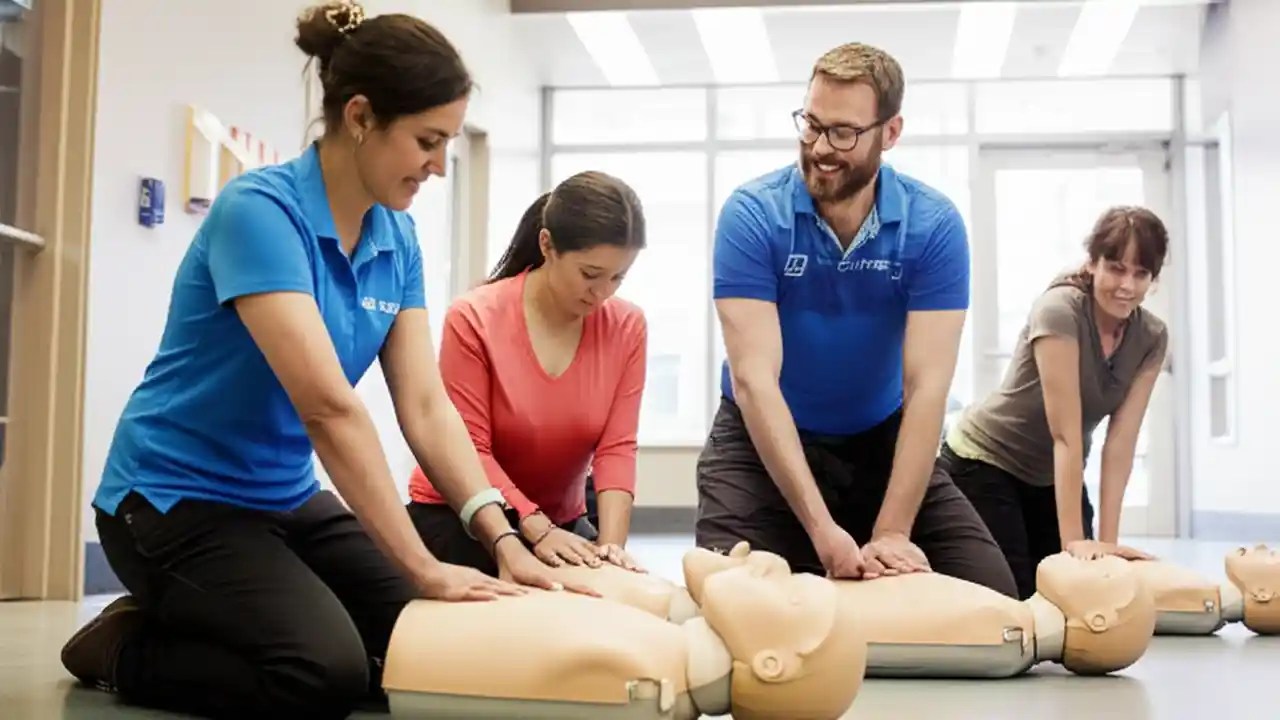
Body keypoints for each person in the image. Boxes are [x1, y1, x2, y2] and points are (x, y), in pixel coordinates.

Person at [58, 4, 589, 718]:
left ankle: (219, 614)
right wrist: (422, 565)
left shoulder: (397, 238)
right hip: (171, 503)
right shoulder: (260, 213)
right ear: (362, 117)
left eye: (447, 144)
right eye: (427, 141)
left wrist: (501, 536)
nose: (438, 165)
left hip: (282, 496)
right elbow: (328, 408)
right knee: (323, 672)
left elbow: (426, 407)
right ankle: (122, 647)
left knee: (422, 647)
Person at [694, 41, 1017, 597]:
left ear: (889, 133)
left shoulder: (933, 226)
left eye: (843, 132)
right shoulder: (753, 215)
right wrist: (823, 532)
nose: (820, 148)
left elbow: (926, 387)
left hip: (880, 440)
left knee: (992, 598)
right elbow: (754, 380)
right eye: (811, 125)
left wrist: (892, 530)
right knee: (735, 601)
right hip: (762, 439)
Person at [407, 171, 648, 575]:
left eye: (617, 277)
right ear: (547, 245)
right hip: (462, 517)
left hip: (561, 525)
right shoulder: (474, 318)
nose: (603, 293)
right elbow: (470, 449)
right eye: (590, 274)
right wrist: (533, 526)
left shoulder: (627, 326)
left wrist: (610, 550)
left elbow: (617, 447)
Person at [940, 206, 1170, 599]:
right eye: (1116, 267)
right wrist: (1073, 551)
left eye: (1140, 273)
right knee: (1018, 593)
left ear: (1153, 278)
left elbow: (1121, 443)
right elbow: (1064, 433)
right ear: (1093, 263)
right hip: (984, 460)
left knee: (1080, 593)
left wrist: (1106, 548)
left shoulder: (1151, 336)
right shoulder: (1060, 310)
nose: (1127, 286)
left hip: (1050, 474)